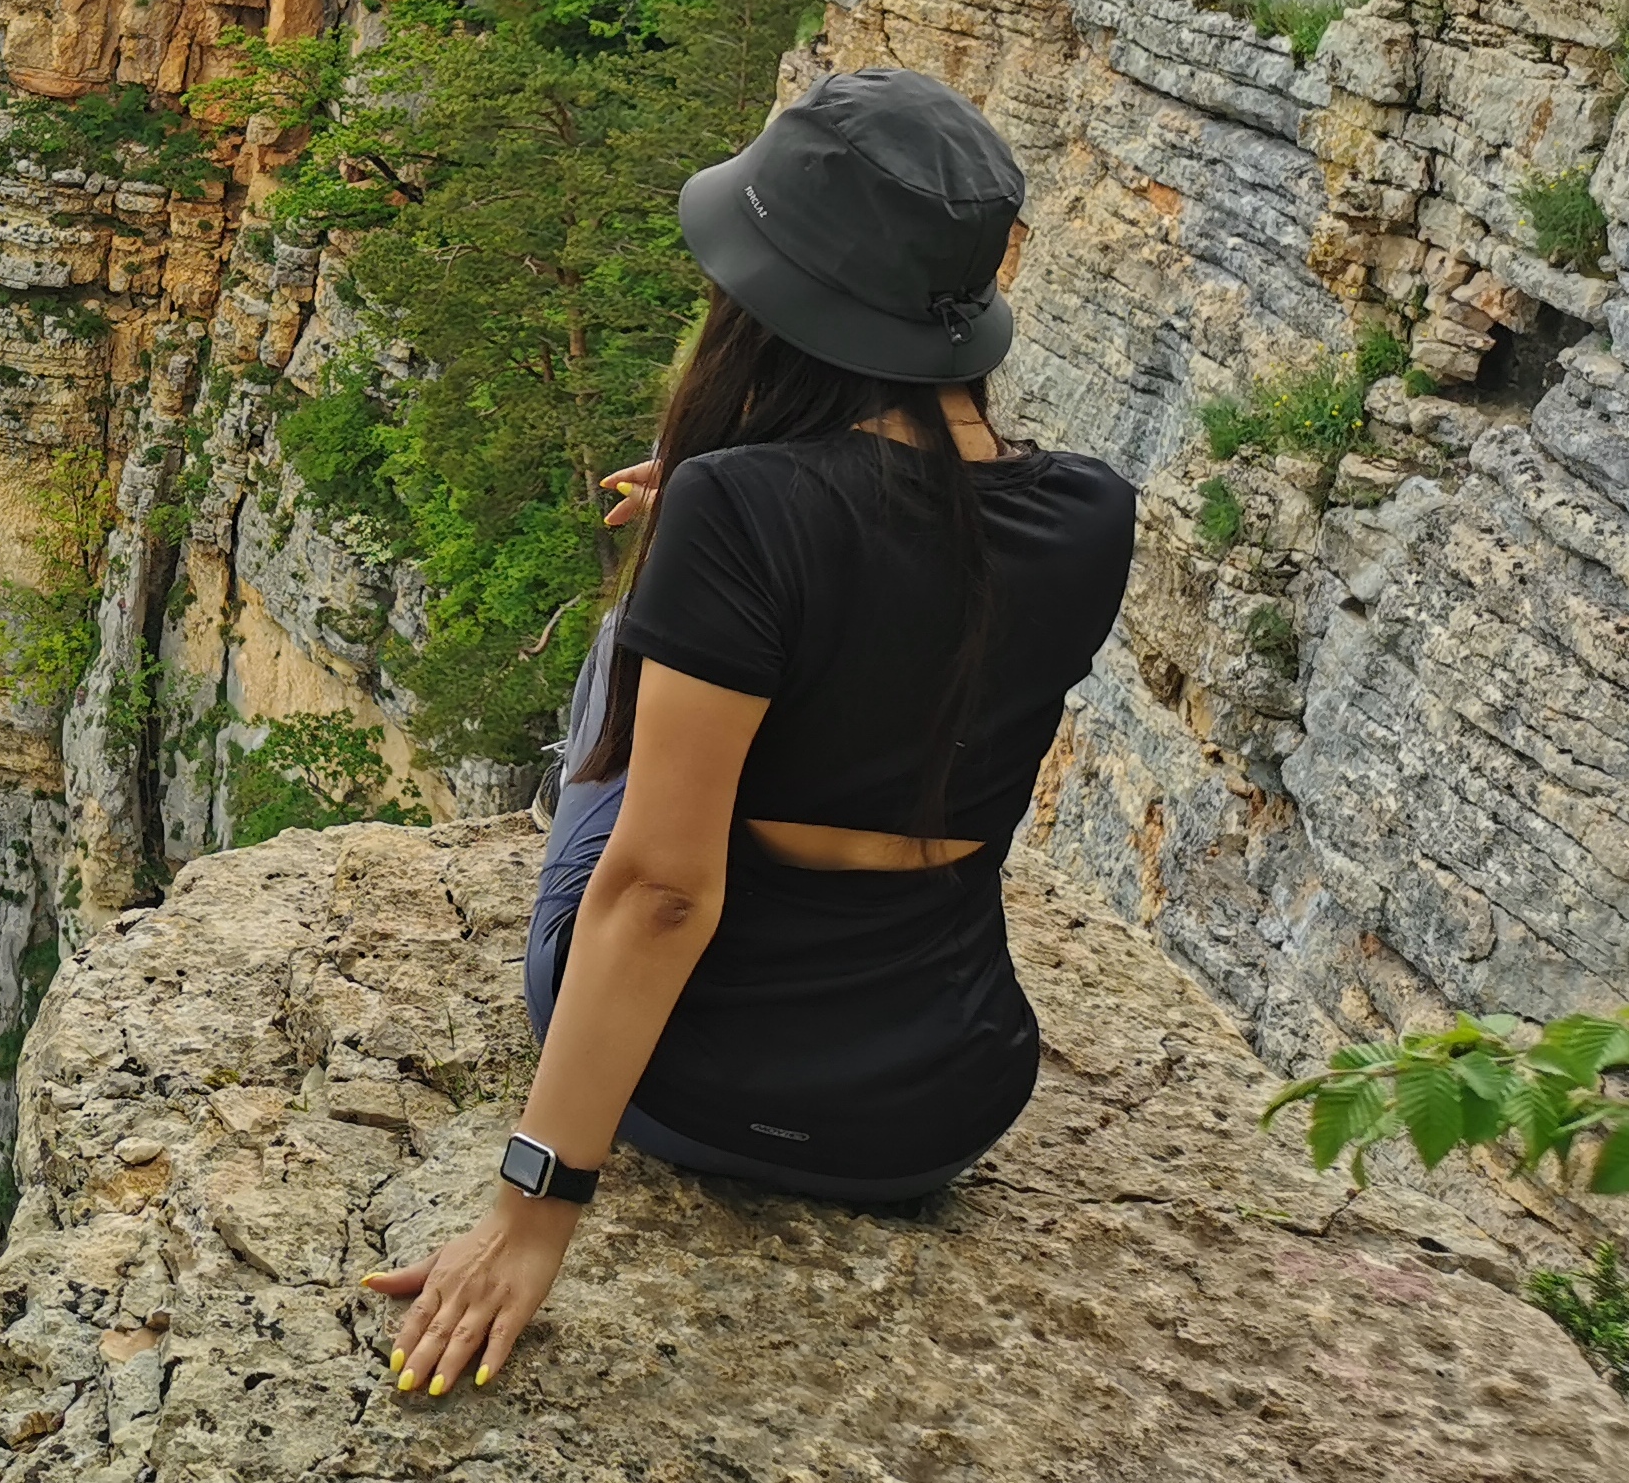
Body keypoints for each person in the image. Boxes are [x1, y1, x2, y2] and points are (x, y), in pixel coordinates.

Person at [370, 69, 1135, 1398]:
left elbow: (663, 888)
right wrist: (743, 519)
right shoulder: (1092, 518)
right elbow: (917, 570)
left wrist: (530, 1211)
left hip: (694, 1083)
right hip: (935, 1110)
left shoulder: (739, 509)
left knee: (623, 653)